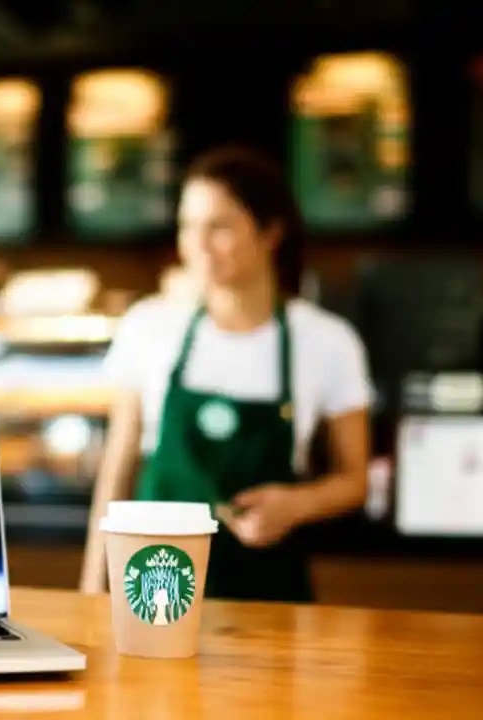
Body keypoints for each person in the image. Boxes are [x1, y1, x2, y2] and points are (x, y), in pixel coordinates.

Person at [80, 147, 371, 602]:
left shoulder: (327, 341)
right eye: (187, 226)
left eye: (218, 227)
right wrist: (92, 589)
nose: (196, 243)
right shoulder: (151, 326)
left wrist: (296, 505)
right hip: (154, 590)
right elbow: (117, 470)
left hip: (267, 590)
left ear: (270, 232)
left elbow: (355, 480)